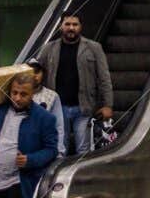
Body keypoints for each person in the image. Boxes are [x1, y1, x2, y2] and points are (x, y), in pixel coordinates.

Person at [38, 13, 114, 154]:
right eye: (67, 24)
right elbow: (36, 73)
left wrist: (108, 105)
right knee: (59, 149)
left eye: (75, 24)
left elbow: (104, 78)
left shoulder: (93, 48)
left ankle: (78, 176)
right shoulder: (49, 49)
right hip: (57, 108)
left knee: (83, 150)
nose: (71, 28)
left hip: (84, 107)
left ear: (80, 27)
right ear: (61, 26)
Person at [25, 58, 67, 154]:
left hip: (44, 147)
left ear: (43, 73)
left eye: (37, 71)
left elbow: (58, 126)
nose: (34, 75)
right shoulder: (18, 95)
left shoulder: (52, 96)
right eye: (30, 71)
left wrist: (59, 150)